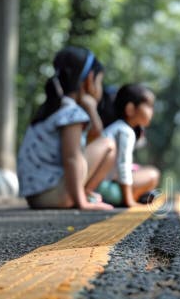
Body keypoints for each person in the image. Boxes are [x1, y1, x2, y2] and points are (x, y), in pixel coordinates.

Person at [17, 47, 116, 210]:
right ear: (89, 80)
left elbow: (93, 137)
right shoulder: (71, 113)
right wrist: (81, 204)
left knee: (103, 143)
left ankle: (82, 194)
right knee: (108, 144)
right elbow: (72, 158)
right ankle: (82, 197)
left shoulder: (53, 108)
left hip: (37, 197)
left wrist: (90, 108)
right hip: (54, 196)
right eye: (99, 81)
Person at [97, 84, 160, 207]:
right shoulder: (125, 131)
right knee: (153, 174)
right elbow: (123, 166)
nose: (151, 112)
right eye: (148, 106)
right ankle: (128, 197)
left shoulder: (118, 128)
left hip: (102, 186)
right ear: (130, 109)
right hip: (104, 189)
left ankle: (138, 196)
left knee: (147, 173)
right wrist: (129, 200)